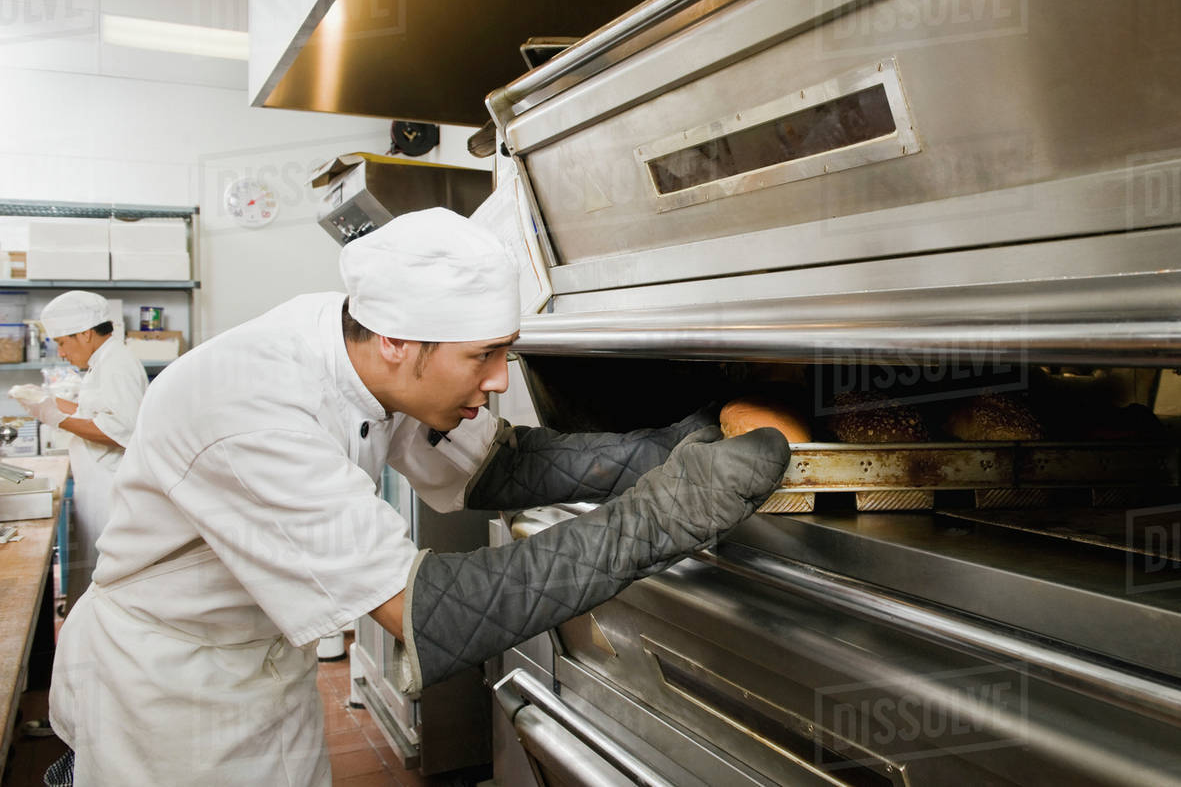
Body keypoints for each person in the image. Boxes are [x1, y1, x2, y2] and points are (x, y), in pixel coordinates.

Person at [47, 207, 790, 787]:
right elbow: (432, 614)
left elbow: (501, 467)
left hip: (260, 667)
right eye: (484, 356)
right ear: (398, 344)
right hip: (170, 692)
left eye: (505, 351)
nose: (499, 380)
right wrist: (666, 513)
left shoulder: (361, 343)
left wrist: (664, 448)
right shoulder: (247, 408)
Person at [14, 290, 148, 611]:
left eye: (62, 342)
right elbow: (93, 413)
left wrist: (56, 418)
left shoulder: (117, 365)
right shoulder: (103, 362)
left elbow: (122, 432)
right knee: (91, 580)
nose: (61, 353)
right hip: (97, 489)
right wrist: (46, 401)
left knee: (104, 588)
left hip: (111, 493)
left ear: (86, 334)